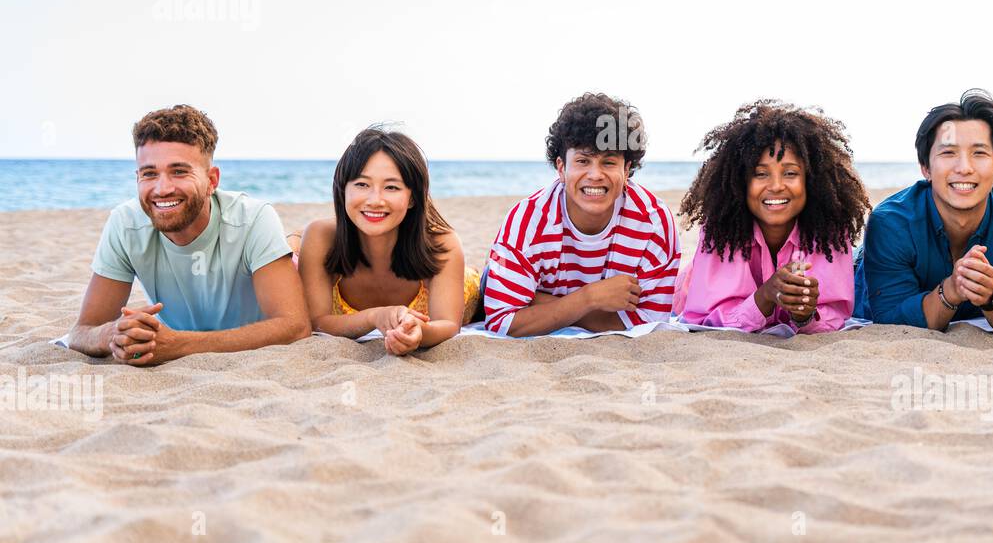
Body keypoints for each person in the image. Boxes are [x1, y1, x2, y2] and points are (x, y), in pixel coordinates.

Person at [67, 104, 310, 365]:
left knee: (299, 253)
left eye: (179, 171)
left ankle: (294, 241)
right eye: (149, 174)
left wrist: (179, 344)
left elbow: (295, 326)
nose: (162, 189)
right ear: (137, 177)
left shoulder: (254, 218)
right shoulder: (125, 224)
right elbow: (81, 332)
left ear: (212, 181)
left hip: (270, 297)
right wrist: (112, 334)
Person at [481, 93, 679, 336]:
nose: (595, 174)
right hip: (502, 273)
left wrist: (540, 303)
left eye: (608, 162)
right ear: (561, 168)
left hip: (537, 292)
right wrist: (589, 298)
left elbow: (651, 324)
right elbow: (502, 321)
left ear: (626, 169)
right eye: (583, 161)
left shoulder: (654, 224)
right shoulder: (528, 222)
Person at [855, 88, 993, 331]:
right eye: (948, 152)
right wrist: (952, 289)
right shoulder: (891, 222)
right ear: (926, 167)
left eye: (979, 153)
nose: (964, 168)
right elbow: (889, 320)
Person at [675, 100, 870, 333]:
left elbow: (834, 317)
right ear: (740, 182)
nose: (776, 186)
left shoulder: (830, 231)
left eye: (790, 173)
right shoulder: (721, 228)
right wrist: (765, 296)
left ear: (810, 179)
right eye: (760, 173)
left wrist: (805, 314)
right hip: (686, 296)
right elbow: (707, 320)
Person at [295, 128, 480, 355]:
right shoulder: (320, 237)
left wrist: (420, 331)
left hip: (462, 284)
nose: (375, 200)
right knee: (294, 246)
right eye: (362, 184)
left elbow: (448, 325)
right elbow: (317, 321)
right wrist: (376, 316)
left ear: (412, 197)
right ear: (343, 189)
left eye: (391, 187)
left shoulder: (441, 244)